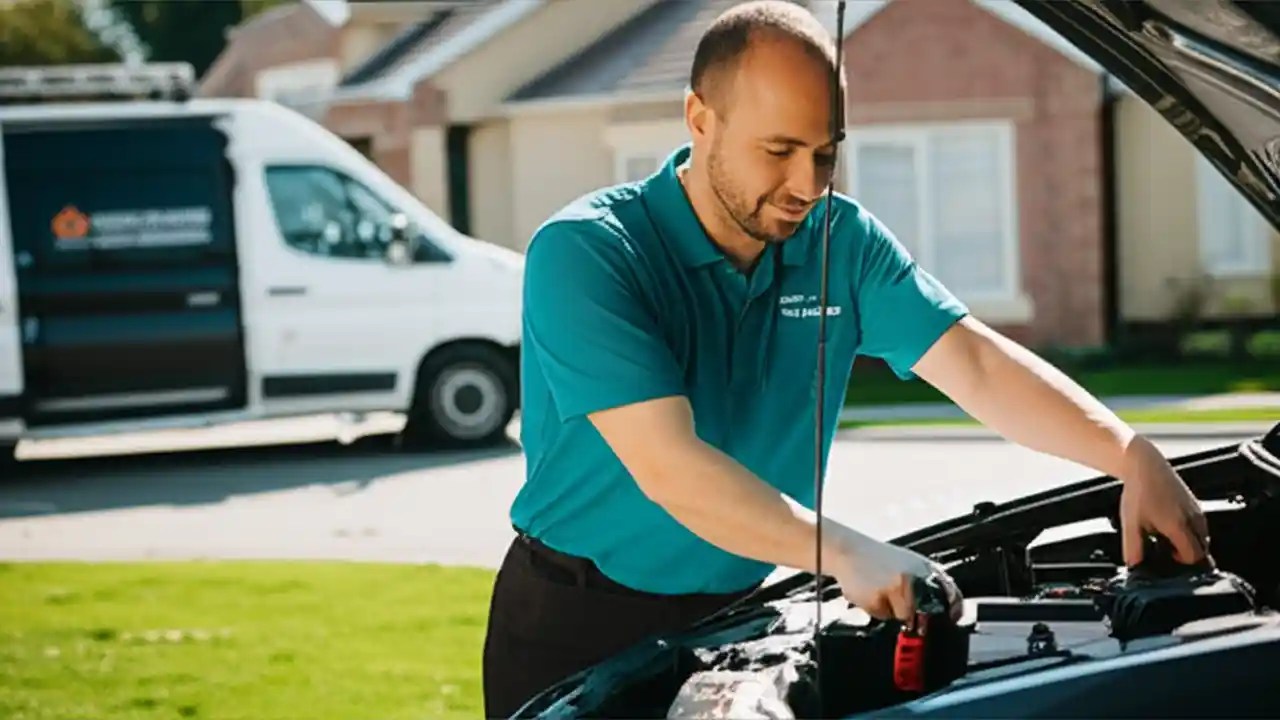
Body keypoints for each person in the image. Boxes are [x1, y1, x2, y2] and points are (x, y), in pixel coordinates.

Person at [481, 1, 1211, 716]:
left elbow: (977, 365)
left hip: (740, 615)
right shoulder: (589, 254)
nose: (808, 185)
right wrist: (846, 552)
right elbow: (672, 470)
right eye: (779, 151)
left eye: (825, 152)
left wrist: (1128, 452)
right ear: (700, 119)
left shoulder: (841, 242)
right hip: (573, 627)